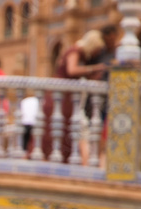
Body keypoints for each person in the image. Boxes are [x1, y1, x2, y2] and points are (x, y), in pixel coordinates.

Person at [41, 29, 107, 162]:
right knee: (53, 131)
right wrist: (95, 68)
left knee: (67, 131)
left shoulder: (82, 56)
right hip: (60, 97)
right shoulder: (75, 51)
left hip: (69, 99)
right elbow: (72, 70)